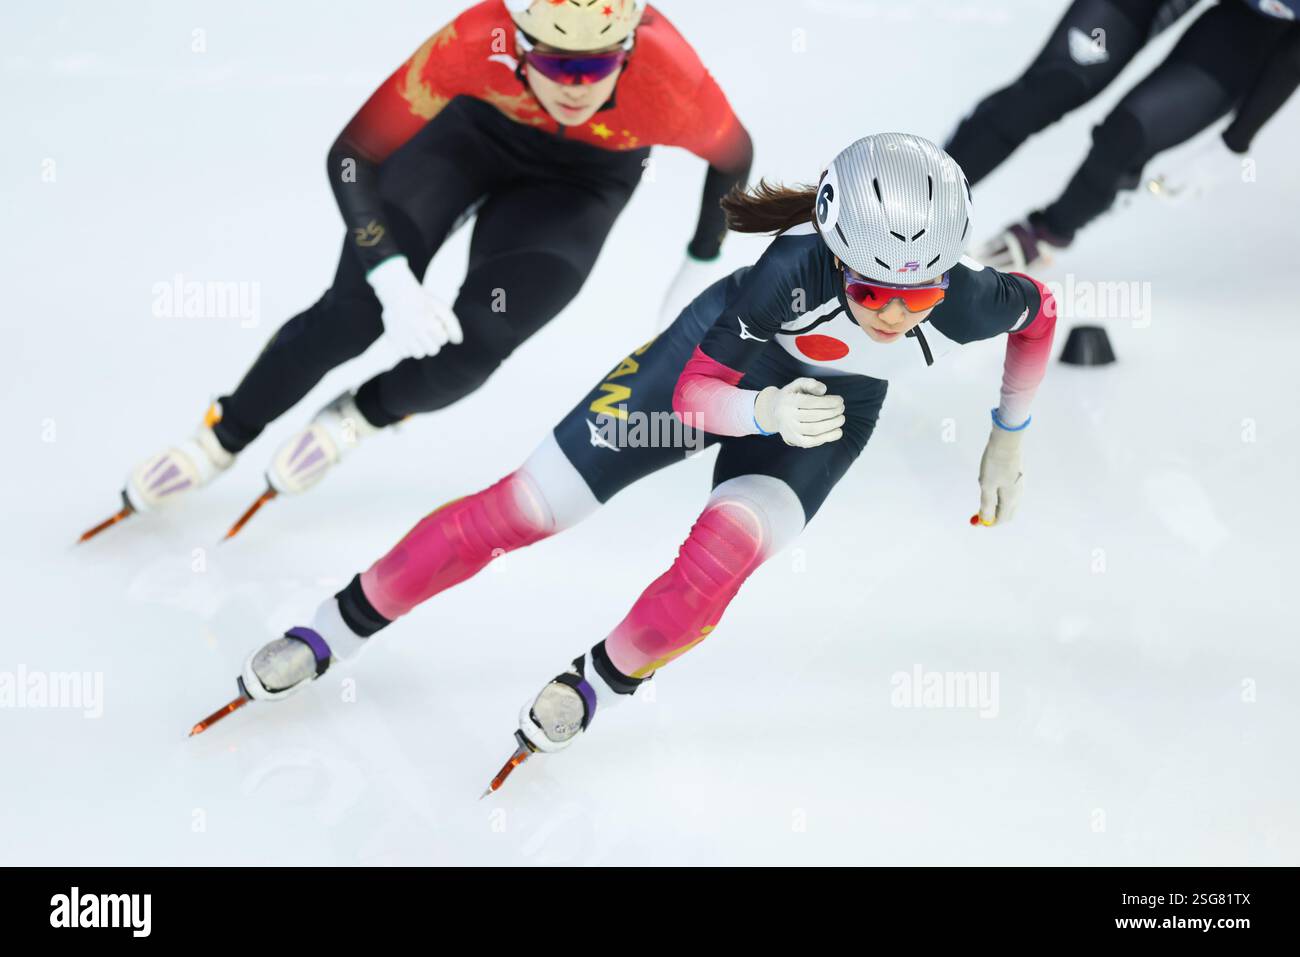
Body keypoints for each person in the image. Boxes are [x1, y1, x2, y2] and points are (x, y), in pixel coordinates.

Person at [194, 135, 1057, 790]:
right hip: (709, 377)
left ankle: (599, 680)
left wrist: (1008, 433)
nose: (897, 317)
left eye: (923, 293)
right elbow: (692, 401)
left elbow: (1041, 313)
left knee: (713, 571)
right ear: (836, 255)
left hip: (826, 418)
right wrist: (763, 408)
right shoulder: (788, 274)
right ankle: (330, 630)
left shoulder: (973, 298)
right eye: (872, 293)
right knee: (518, 511)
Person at [90, 0, 751, 539]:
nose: (575, 87)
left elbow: (733, 159)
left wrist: (700, 260)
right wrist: (389, 276)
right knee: (350, 315)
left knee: (475, 344)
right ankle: (221, 436)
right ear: (516, 42)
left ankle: (361, 416)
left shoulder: (670, 75)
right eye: (553, 62)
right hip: (471, 138)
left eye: (598, 64)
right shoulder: (473, 38)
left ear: (630, 49)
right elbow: (351, 156)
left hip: (579, 187)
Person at [944, 0, 1298, 271]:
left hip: (1259, 20)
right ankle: (924, 197)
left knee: (1126, 136)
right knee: (1049, 90)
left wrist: (1233, 143)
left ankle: (1047, 232)